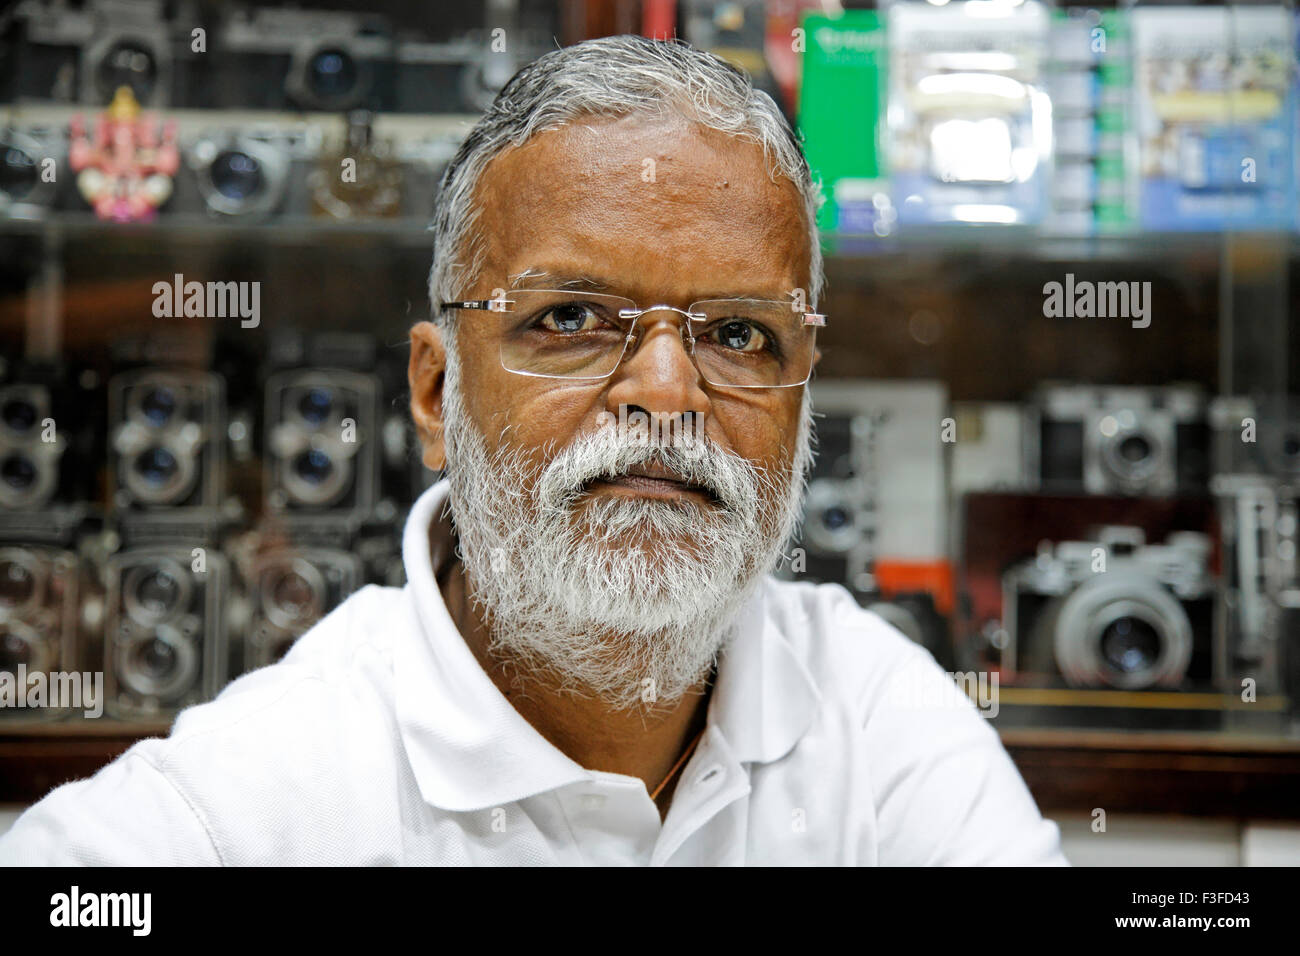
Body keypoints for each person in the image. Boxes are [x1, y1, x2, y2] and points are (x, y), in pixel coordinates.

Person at [0, 35, 1067, 866]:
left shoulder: (873, 715)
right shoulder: (241, 809)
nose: (665, 394)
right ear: (434, 390)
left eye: (739, 333)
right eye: (571, 319)